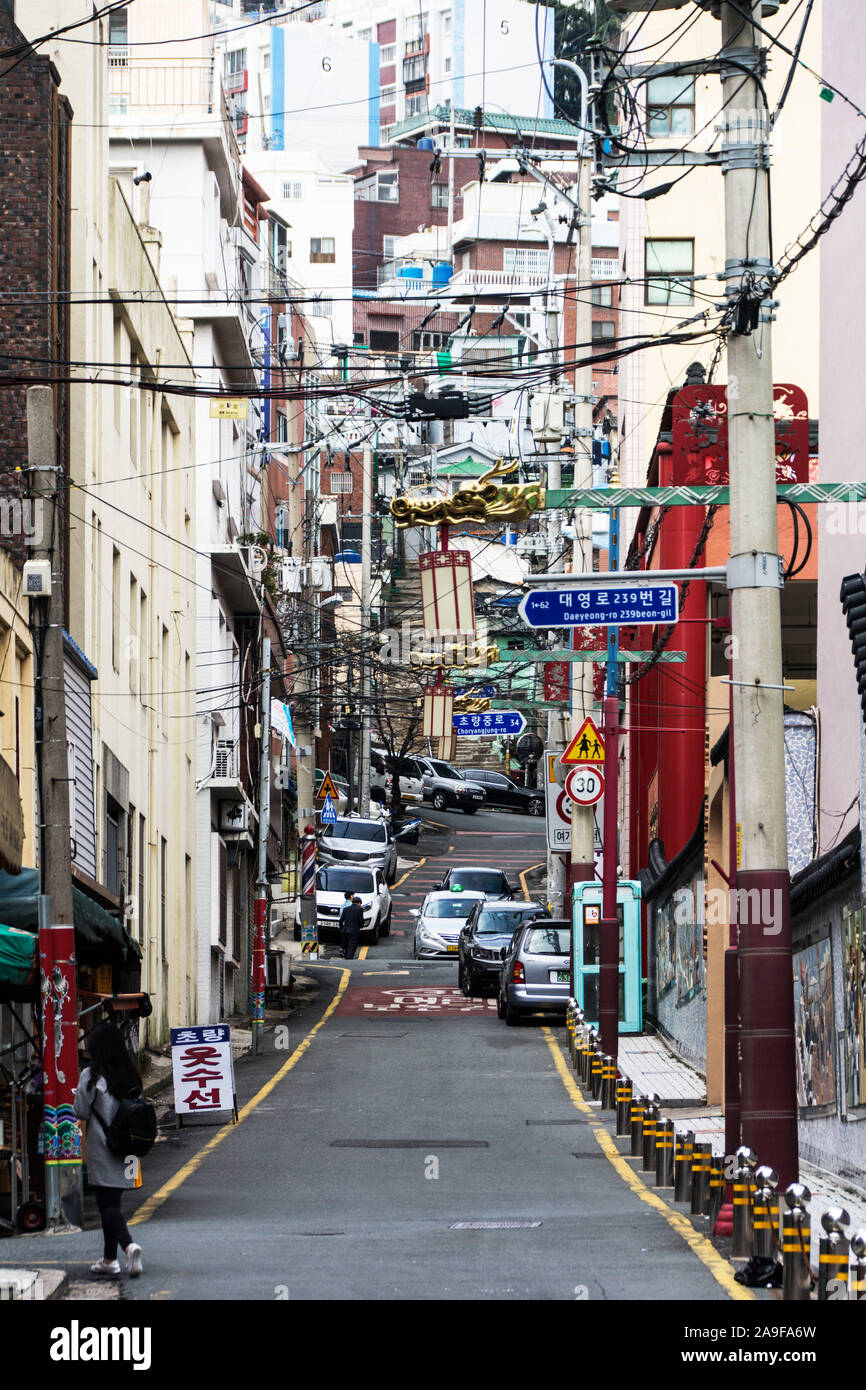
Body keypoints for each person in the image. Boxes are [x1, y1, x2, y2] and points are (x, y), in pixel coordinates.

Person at [73, 1022, 144, 1278]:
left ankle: (128, 1246)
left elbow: (80, 1111)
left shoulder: (91, 1076)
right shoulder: (129, 1073)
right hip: (129, 1146)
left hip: (103, 1146)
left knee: (107, 1205)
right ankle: (109, 1259)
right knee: (113, 1202)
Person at [341, 895, 365, 960]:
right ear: (359, 903)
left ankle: (345, 957)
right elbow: (361, 920)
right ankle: (349, 960)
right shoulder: (360, 909)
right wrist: (361, 926)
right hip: (354, 931)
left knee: (346, 945)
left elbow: (341, 920)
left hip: (345, 930)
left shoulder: (346, 909)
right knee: (352, 946)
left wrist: (342, 928)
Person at [337, 889, 354, 958]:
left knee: (344, 940)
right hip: (350, 926)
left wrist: (341, 926)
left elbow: (341, 917)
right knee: (350, 941)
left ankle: (342, 949)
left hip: (344, 926)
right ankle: (347, 954)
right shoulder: (351, 905)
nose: (353, 897)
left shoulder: (343, 905)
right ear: (350, 897)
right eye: (353, 896)